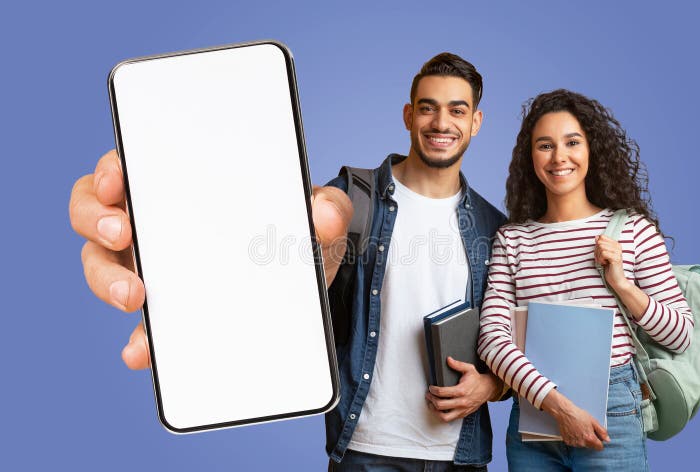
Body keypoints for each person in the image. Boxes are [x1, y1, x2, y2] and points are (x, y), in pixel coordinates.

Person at [69, 52, 507, 471]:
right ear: (409, 116)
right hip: (365, 451)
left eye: (457, 110)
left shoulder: (494, 228)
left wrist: (492, 385)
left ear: (476, 121)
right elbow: (270, 274)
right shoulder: (353, 198)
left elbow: (513, 345)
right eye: (429, 109)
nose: (441, 123)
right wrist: (191, 236)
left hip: (461, 456)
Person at [477, 89, 693, 471]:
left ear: (592, 149)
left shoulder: (633, 231)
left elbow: (680, 335)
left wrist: (624, 285)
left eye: (572, 142)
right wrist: (557, 405)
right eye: (545, 145)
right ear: (531, 157)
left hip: (613, 412)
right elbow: (493, 340)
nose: (559, 157)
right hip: (534, 413)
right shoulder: (512, 240)